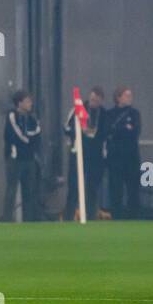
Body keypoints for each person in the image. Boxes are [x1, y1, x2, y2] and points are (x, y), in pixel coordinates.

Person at [63, 86, 107, 220]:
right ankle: (68, 217)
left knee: (92, 188)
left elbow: (107, 132)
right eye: (92, 99)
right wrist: (80, 132)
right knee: (74, 187)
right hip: (78, 153)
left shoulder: (104, 114)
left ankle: (90, 216)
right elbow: (66, 128)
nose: (94, 102)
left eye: (97, 100)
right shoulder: (77, 110)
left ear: (101, 101)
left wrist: (95, 134)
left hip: (96, 155)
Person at [2, 91, 42, 222]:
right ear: (19, 103)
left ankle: (28, 220)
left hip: (29, 159)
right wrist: (29, 139)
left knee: (29, 191)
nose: (30, 104)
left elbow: (37, 133)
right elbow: (17, 135)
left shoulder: (32, 118)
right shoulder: (12, 116)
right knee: (11, 190)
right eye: (27, 101)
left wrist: (29, 139)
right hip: (15, 159)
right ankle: (7, 219)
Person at [104, 87, 142, 219]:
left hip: (131, 157)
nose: (129, 98)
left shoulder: (134, 113)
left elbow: (135, 132)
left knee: (133, 188)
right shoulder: (109, 114)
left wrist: (121, 131)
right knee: (115, 189)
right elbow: (108, 131)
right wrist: (124, 129)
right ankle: (117, 216)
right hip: (115, 157)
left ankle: (134, 216)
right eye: (126, 95)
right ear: (118, 98)